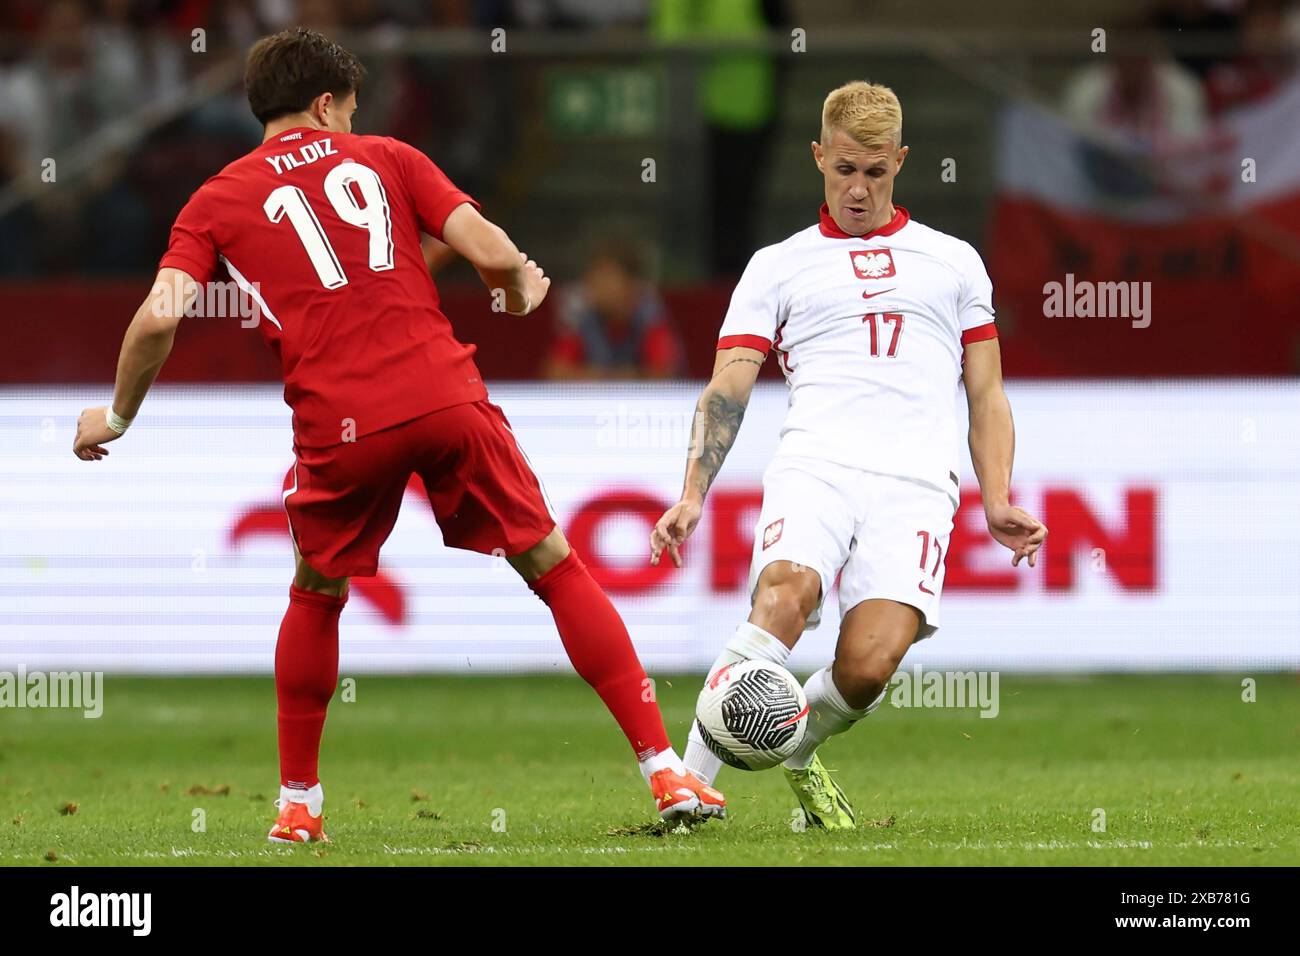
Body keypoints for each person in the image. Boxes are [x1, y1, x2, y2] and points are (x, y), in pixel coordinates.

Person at [73, 27, 723, 842]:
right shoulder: (390, 157)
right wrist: (520, 288)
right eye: (349, 108)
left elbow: (159, 318)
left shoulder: (214, 200)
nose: (353, 122)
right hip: (445, 397)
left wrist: (117, 416)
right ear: (324, 105)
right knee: (554, 566)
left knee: (316, 593)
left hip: (342, 426)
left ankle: (299, 807)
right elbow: (490, 250)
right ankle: (665, 771)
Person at [649, 81, 1047, 829]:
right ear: (817, 158)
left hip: (918, 483)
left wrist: (996, 497)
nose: (857, 189)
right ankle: (690, 788)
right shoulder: (777, 265)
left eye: (874, 171)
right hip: (816, 466)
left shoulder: (955, 262)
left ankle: (796, 750)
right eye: (843, 170)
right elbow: (728, 387)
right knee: (785, 595)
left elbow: (987, 392)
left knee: (867, 668)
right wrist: (693, 491)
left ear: (900, 161)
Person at [542, 240, 683, 380]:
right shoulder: (583, 315)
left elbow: (663, 374)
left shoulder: (651, 315)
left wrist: (600, 377)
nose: (597, 287)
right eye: (593, 278)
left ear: (630, 284)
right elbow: (555, 373)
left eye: (607, 278)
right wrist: (617, 377)